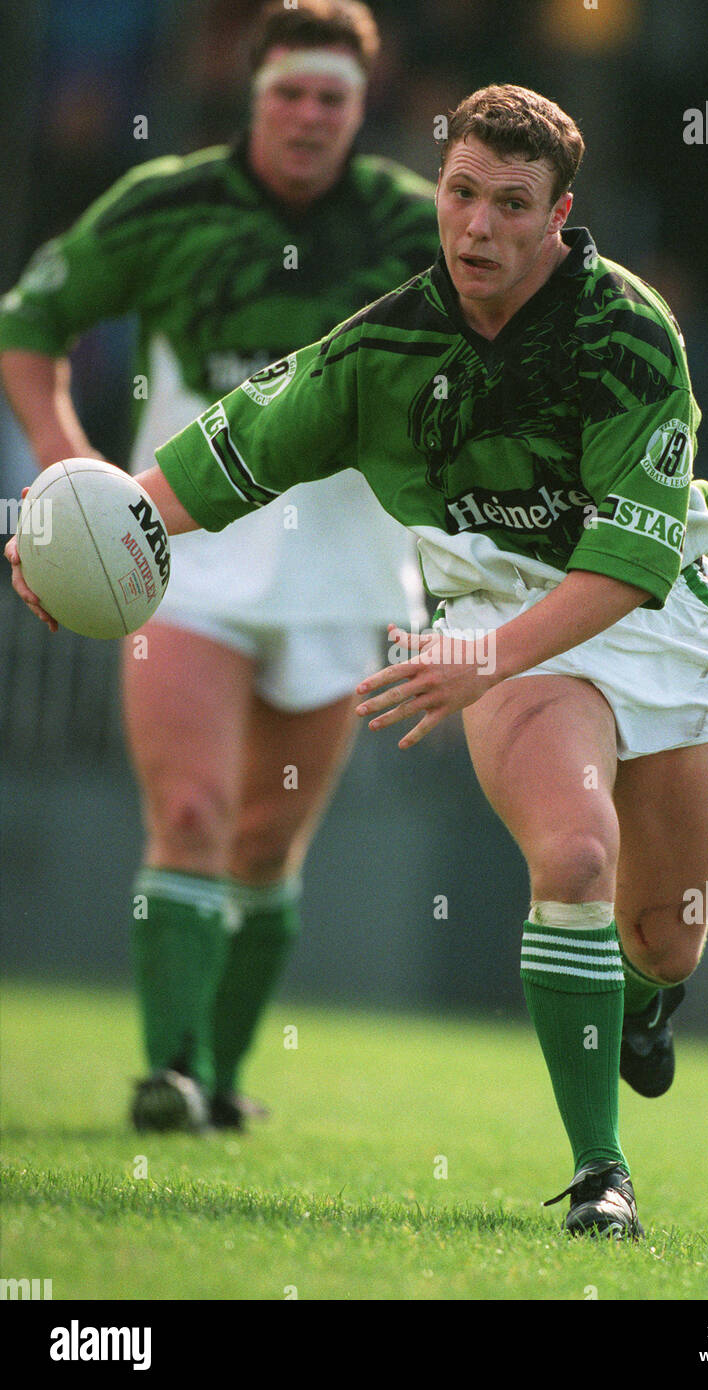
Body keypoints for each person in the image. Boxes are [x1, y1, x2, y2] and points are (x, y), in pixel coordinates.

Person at [9, 84, 708, 1236]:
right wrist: (82, 540)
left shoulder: (631, 333)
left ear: (558, 216)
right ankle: (602, 1174)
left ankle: (644, 1002)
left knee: (664, 933)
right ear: (438, 189)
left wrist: (483, 659)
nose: (477, 226)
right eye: (459, 193)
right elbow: (229, 454)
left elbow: (627, 570)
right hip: (492, 612)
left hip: (648, 613)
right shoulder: (381, 345)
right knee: (579, 854)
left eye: (509, 204)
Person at [0, 0, 439, 1133]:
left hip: (345, 564)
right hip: (179, 551)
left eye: (331, 98)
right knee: (189, 808)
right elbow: (30, 324)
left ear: (363, 107)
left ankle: (223, 1070)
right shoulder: (166, 202)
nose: (306, 116)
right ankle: (169, 1073)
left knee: (265, 839)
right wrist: (71, 487)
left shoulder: (414, 225)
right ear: (252, 97)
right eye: (287, 93)